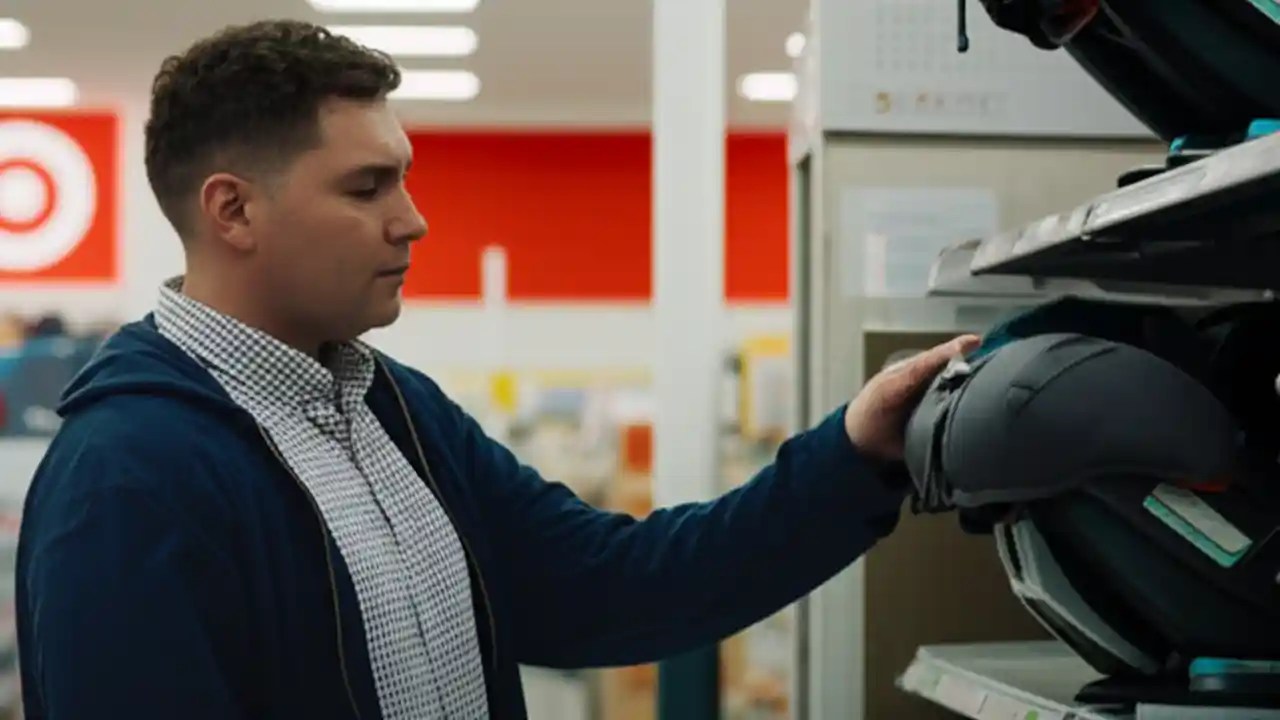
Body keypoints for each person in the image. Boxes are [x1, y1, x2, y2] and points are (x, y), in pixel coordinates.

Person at [14, 19, 978, 720]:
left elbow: (616, 586)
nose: (414, 218)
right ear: (233, 212)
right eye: (367, 185)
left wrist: (855, 450)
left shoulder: (397, 413)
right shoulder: (125, 482)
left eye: (404, 174)